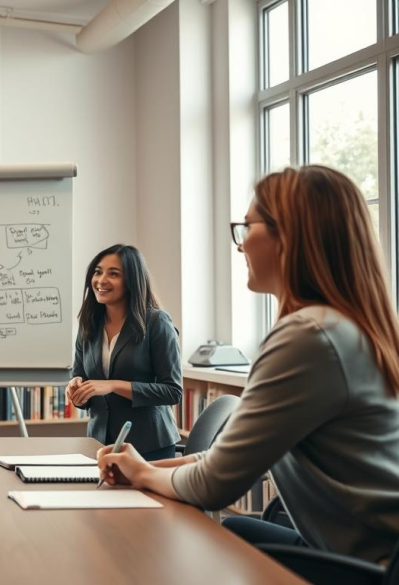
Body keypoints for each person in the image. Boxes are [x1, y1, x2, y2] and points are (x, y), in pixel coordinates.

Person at [97, 165, 399, 565]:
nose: (240, 245)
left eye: (247, 228)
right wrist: (140, 465)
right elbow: (224, 458)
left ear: (288, 237)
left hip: (373, 563)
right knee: (234, 532)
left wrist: (142, 473)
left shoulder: (308, 337)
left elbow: (213, 486)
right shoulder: (342, 328)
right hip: (366, 546)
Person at [64, 244, 182, 461]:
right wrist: (77, 391)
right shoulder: (88, 324)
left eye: (114, 274)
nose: (101, 280)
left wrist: (113, 385)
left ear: (132, 281)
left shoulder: (157, 322)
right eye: (98, 271)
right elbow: (81, 378)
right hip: (99, 443)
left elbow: (173, 391)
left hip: (148, 447)